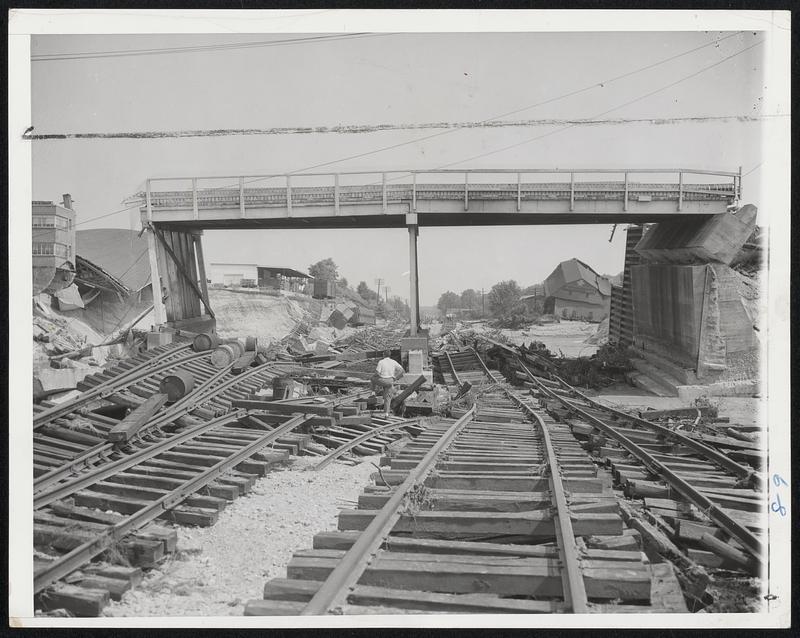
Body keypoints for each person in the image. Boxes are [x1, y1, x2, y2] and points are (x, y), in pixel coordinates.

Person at [371, 350, 405, 417]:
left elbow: (377, 373)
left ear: (384, 355)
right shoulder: (393, 362)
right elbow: (402, 371)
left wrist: (379, 377)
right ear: (390, 355)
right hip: (390, 381)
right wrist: (395, 378)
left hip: (382, 380)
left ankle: (373, 392)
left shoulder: (381, 362)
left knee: (372, 378)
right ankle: (386, 413)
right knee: (388, 397)